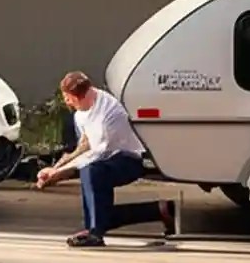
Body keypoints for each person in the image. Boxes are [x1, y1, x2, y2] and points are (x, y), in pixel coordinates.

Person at [35, 71, 176, 247]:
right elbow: (84, 145)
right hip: (105, 158)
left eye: (69, 98)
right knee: (101, 206)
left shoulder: (108, 113)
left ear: (84, 96)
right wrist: (56, 168)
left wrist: (59, 174)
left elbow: (95, 154)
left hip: (128, 160)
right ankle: (159, 210)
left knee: (92, 171)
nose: (67, 102)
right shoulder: (81, 112)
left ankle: (94, 232)